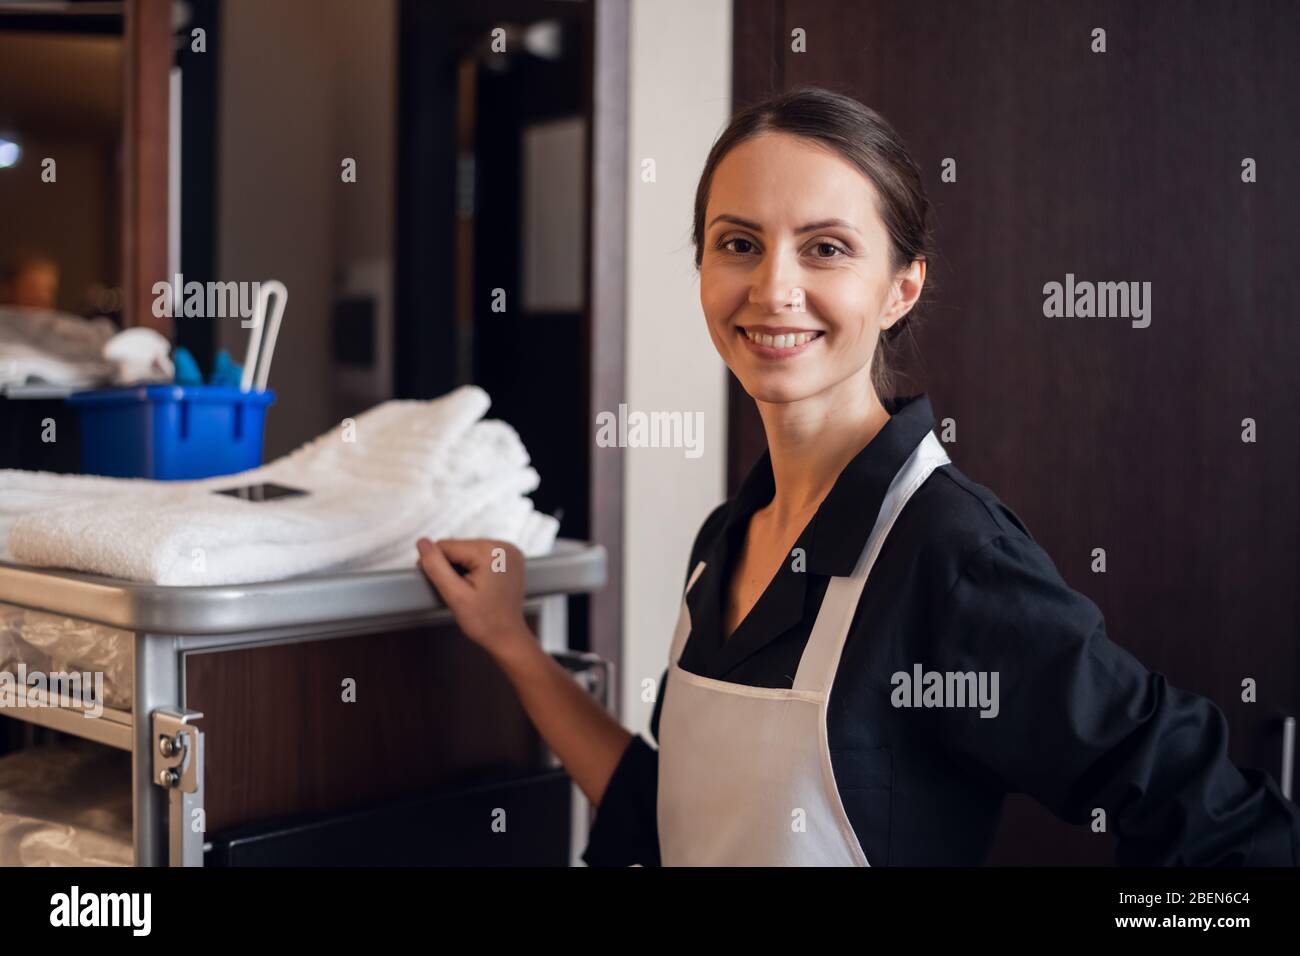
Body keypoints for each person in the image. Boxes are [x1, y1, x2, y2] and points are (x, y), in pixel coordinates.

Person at [415, 87, 1300, 866]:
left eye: (827, 248)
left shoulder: (950, 553)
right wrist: (514, 646)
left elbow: (1228, 830)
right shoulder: (727, 538)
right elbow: (671, 824)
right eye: (738, 243)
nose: (773, 287)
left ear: (900, 290)